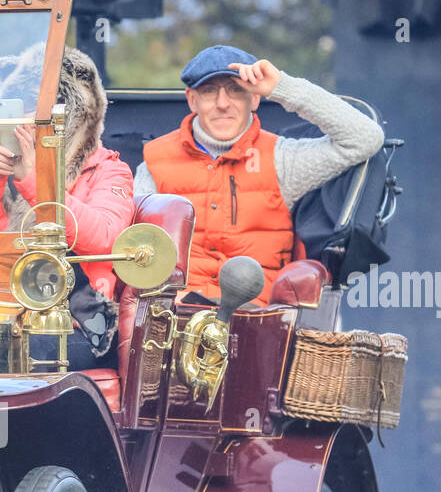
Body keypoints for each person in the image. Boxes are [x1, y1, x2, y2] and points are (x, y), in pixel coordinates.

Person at [135, 45, 384, 305]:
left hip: (258, 324)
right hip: (174, 319)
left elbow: (366, 138)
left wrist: (282, 87)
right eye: (209, 91)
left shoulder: (282, 158)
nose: (222, 104)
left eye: (236, 90)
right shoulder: (155, 160)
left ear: (254, 98)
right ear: (192, 100)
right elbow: (134, 249)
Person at [0, 45, 134, 369]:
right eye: (25, 101)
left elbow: (104, 238)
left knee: (17, 354)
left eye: (53, 102)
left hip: (74, 320)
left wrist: (34, 180)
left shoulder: (109, 169)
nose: (35, 113)